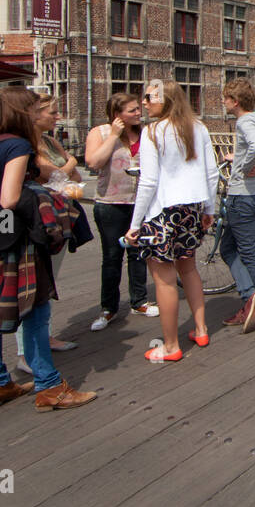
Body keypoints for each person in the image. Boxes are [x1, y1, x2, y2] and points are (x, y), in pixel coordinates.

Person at [0, 85, 95, 411]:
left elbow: (48, 176)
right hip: (15, 239)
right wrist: (47, 198)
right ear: (21, 112)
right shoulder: (18, 146)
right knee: (36, 310)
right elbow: (10, 198)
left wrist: (58, 173)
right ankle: (50, 387)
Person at [125, 80, 219, 362]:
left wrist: (135, 222)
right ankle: (201, 329)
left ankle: (170, 346)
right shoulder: (198, 127)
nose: (144, 103)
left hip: (163, 210)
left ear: (164, 100)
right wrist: (209, 208)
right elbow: (212, 172)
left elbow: (149, 181)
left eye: (149, 98)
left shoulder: (153, 131)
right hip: (191, 207)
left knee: (164, 280)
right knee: (188, 269)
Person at [5, 93, 81, 374]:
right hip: (36, 219)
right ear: (34, 115)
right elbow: (54, 172)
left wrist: (66, 168)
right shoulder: (25, 146)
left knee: (48, 280)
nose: (57, 117)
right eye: (52, 112)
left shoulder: (49, 141)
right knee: (30, 285)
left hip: (58, 216)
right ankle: (25, 352)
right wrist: (69, 163)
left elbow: (74, 176)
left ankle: (44, 337)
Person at [85, 92, 153, 330]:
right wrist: (114, 135)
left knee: (138, 254)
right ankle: (108, 308)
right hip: (110, 202)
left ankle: (139, 300)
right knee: (112, 256)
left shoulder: (146, 134)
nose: (138, 113)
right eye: (132, 110)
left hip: (140, 203)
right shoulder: (100, 133)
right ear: (117, 115)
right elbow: (93, 163)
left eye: (138, 109)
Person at [219, 78, 255, 332]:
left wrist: (241, 166)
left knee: (244, 252)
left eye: (226, 98)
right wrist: (238, 156)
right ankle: (254, 298)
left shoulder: (244, 121)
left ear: (235, 102)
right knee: (230, 247)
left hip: (242, 196)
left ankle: (252, 300)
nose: (223, 102)